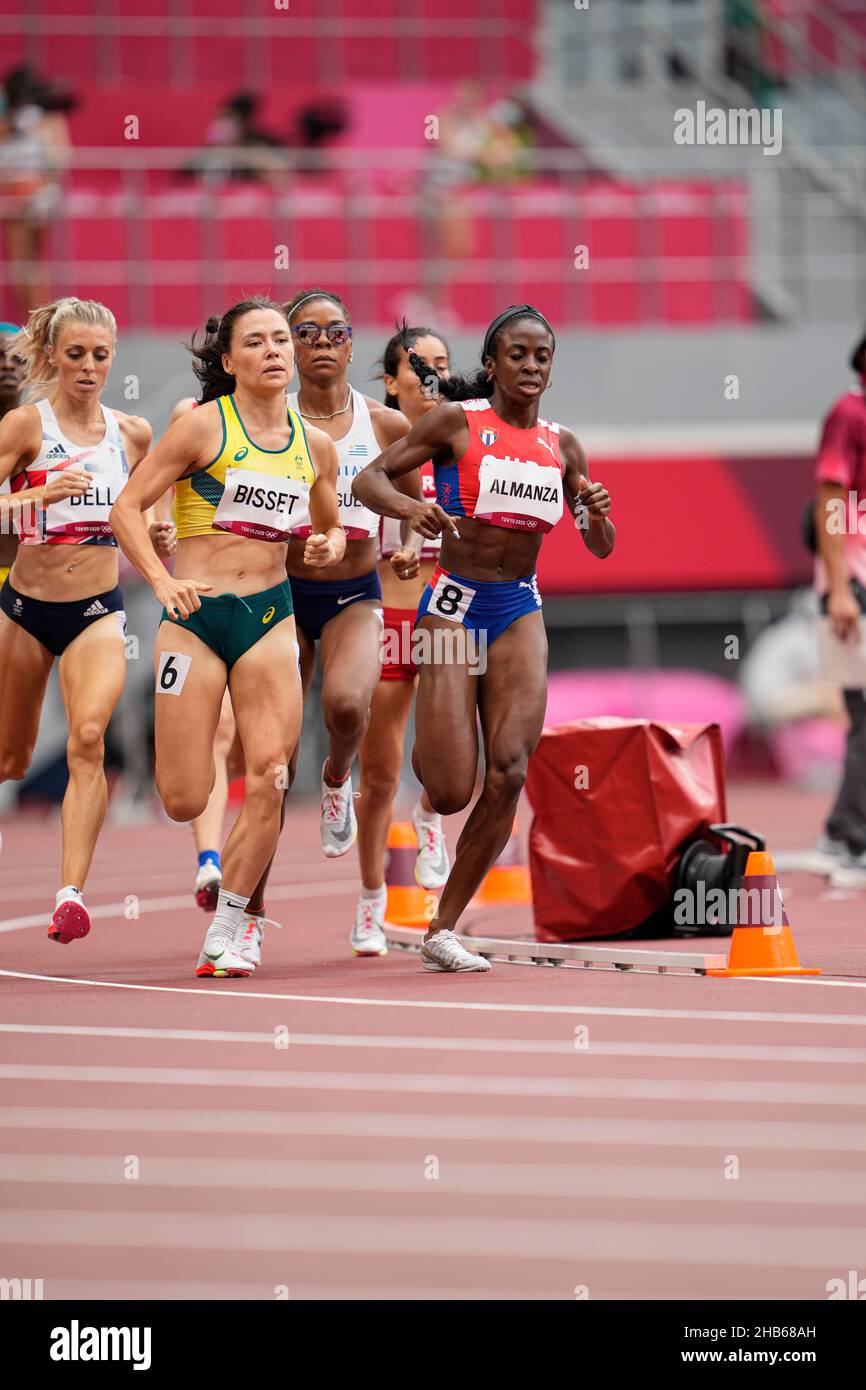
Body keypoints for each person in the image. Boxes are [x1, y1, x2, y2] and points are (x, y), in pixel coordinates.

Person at [353, 304, 615, 972]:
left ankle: (443, 926)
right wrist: (414, 507)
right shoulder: (455, 424)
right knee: (448, 789)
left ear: (551, 370)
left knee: (511, 771)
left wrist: (596, 513)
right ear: (492, 364)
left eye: (542, 357)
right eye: (518, 354)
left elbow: (601, 546)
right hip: (450, 608)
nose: (531, 366)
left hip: (518, 610)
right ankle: (430, 781)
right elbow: (368, 478)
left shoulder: (564, 445)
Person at [110, 297, 344, 978]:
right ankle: (210, 866)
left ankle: (233, 922)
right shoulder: (201, 428)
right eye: (258, 341)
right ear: (230, 360)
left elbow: (326, 527)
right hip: (194, 620)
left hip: (270, 617)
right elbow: (127, 508)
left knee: (272, 774)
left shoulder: (315, 445)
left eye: (282, 339)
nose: (275, 350)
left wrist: (326, 546)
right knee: (183, 794)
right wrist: (159, 581)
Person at [0, 296, 159, 943]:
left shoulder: (132, 433)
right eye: (75, 356)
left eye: (99, 356)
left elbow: (144, 511)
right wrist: (35, 493)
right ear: (52, 358)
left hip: (97, 610)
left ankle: (69, 895)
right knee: (11, 757)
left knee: (88, 737)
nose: (89, 368)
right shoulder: (25, 428)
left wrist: (157, 527)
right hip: (27, 608)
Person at [281, 289, 420, 858]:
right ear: (289, 347)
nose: (321, 342)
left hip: (355, 594)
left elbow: (414, 505)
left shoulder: (384, 423)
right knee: (278, 749)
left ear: (350, 345)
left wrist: (409, 543)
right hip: (280, 593)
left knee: (345, 707)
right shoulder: (266, 421)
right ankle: (250, 899)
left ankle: (338, 777)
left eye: (335, 332)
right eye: (307, 332)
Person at [353, 323, 452, 957]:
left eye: (443, 362)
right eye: (419, 365)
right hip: (385, 615)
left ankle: (432, 820)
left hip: (446, 617)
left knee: (450, 749)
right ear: (392, 381)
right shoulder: (372, 440)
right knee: (381, 769)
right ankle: (370, 902)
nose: (433, 373)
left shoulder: (466, 439)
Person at [158, 393, 239, 913]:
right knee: (197, 752)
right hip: (196, 598)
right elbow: (156, 479)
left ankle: (215, 861)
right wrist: (161, 523)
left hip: (261, 600)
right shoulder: (189, 414)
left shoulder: (283, 418)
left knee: (230, 731)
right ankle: (207, 853)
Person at [810, 324, 866, 888]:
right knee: (865, 716)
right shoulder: (849, 413)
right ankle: (853, 843)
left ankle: (835, 833)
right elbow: (830, 500)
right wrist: (840, 589)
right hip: (850, 584)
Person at [0, 321, 26, 588]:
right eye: (0, 357)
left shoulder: (46, 433)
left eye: (18, 359)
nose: (8, 365)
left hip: (29, 583)